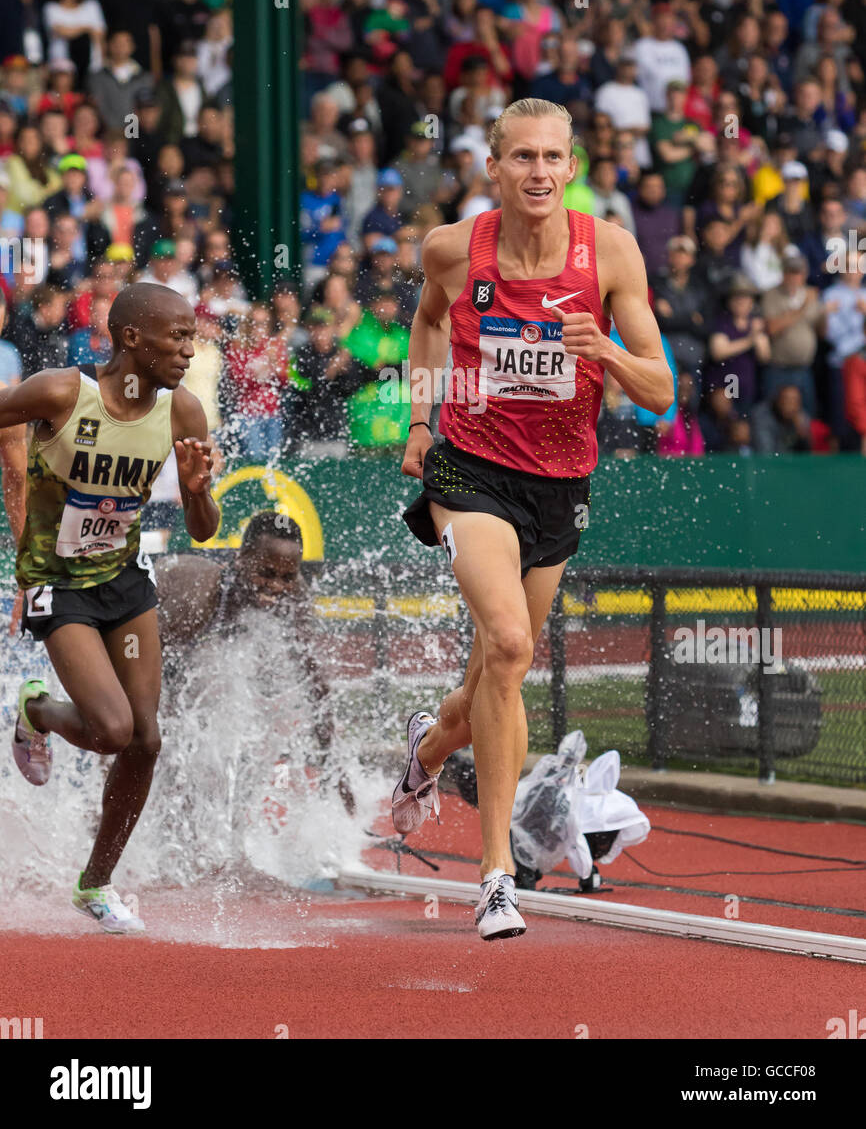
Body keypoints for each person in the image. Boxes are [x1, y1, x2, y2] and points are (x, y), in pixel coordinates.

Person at [396, 98, 672, 939]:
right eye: (523, 158)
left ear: (573, 167)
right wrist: (419, 418)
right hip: (472, 472)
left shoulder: (610, 252)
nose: (540, 172)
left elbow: (661, 393)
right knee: (511, 645)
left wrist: (607, 354)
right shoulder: (453, 249)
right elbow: (428, 323)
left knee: (492, 676)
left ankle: (427, 750)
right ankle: (494, 879)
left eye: (554, 157)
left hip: (560, 487)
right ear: (495, 168)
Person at [4, 282, 219, 931]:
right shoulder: (60, 392)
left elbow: (205, 528)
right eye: (177, 336)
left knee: (146, 738)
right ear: (131, 339)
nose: (189, 349)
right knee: (111, 730)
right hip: (57, 579)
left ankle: (95, 884)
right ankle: (35, 710)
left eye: (193, 336)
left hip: (124, 580)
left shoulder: (184, 412)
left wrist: (197, 490)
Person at [154, 511, 354, 814]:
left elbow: (315, 682)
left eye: (287, 577)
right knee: (159, 743)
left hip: (190, 648)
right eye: (266, 573)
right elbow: (141, 665)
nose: (276, 586)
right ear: (241, 558)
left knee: (221, 731)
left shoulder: (293, 598)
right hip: (147, 630)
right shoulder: (199, 598)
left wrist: (333, 766)